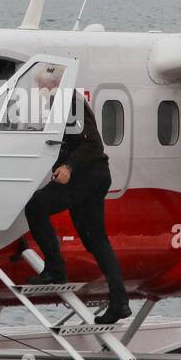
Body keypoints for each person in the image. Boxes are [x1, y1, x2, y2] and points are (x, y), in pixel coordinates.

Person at [22, 66, 131, 324]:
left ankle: (55, 270)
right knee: (96, 241)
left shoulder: (70, 103)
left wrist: (69, 167)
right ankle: (119, 303)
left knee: (36, 207)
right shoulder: (60, 103)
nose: (39, 91)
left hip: (87, 176)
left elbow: (92, 144)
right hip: (94, 176)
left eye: (42, 86)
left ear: (55, 84)